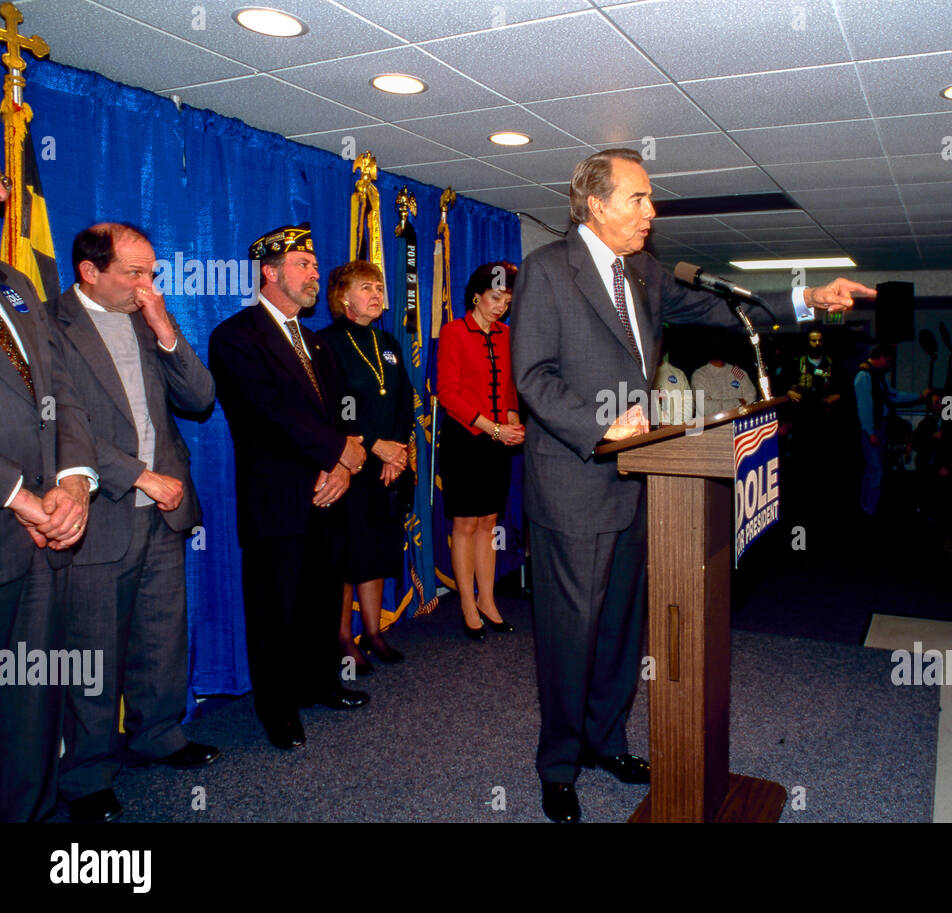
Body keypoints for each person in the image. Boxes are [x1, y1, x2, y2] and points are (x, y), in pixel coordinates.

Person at [511, 147, 872, 823]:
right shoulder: (545, 271)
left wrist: (808, 298)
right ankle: (557, 764)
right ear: (596, 204)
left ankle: (605, 741)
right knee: (572, 632)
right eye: (639, 199)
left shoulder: (644, 272)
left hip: (643, 479)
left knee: (621, 627)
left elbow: (724, 311)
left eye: (651, 200)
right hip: (573, 483)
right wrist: (602, 424)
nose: (653, 212)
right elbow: (532, 378)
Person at [49, 223, 218, 824]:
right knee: (93, 648)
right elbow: (59, 427)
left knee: (161, 636)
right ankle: (87, 771)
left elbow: (199, 399)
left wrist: (166, 330)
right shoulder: (51, 325)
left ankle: (159, 736)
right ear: (90, 271)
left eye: (152, 272)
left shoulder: (148, 321)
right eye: (135, 273)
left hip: (165, 515)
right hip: (102, 513)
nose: (148, 285)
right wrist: (137, 475)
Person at [208, 223, 369, 751]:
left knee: (322, 599)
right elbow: (265, 417)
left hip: (328, 494)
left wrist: (343, 466)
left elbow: (339, 414)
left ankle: (319, 682)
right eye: (304, 265)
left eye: (315, 266)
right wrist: (335, 454)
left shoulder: (317, 342)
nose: (315, 274)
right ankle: (276, 709)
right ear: (270, 272)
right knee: (274, 608)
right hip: (276, 500)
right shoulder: (235, 337)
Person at [0, 178, 96, 822]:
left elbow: (58, 389)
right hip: (13, 517)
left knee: (30, 703)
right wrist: (16, 495)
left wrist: (73, 482)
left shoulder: (18, 284)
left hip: (43, 537)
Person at [319, 261, 415, 672]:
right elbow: (335, 408)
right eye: (366, 288)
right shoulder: (326, 344)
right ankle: (344, 636)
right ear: (343, 298)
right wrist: (377, 447)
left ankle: (374, 632)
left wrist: (398, 453)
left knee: (377, 551)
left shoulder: (388, 343)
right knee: (347, 556)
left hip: (387, 470)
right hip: (351, 468)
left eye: (379, 287)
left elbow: (403, 402)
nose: (377, 294)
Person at [436, 260, 524, 640]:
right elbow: (448, 394)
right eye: (494, 298)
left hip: (496, 443)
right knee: (466, 524)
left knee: (489, 522)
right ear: (476, 296)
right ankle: (467, 605)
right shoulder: (454, 332)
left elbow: (507, 390)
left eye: (505, 300)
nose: (500, 306)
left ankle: (488, 600)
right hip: (465, 441)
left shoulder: (506, 334)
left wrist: (512, 421)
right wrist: (494, 428)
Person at [854, 344, 922, 517]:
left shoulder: (878, 377)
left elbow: (894, 396)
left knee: (874, 470)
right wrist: (870, 432)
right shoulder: (864, 376)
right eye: (889, 361)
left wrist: (920, 396)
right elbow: (864, 407)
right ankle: (868, 510)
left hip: (880, 427)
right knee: (875, 470)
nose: (890, 365)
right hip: (872, 429)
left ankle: (869, 506)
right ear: (882, 357)